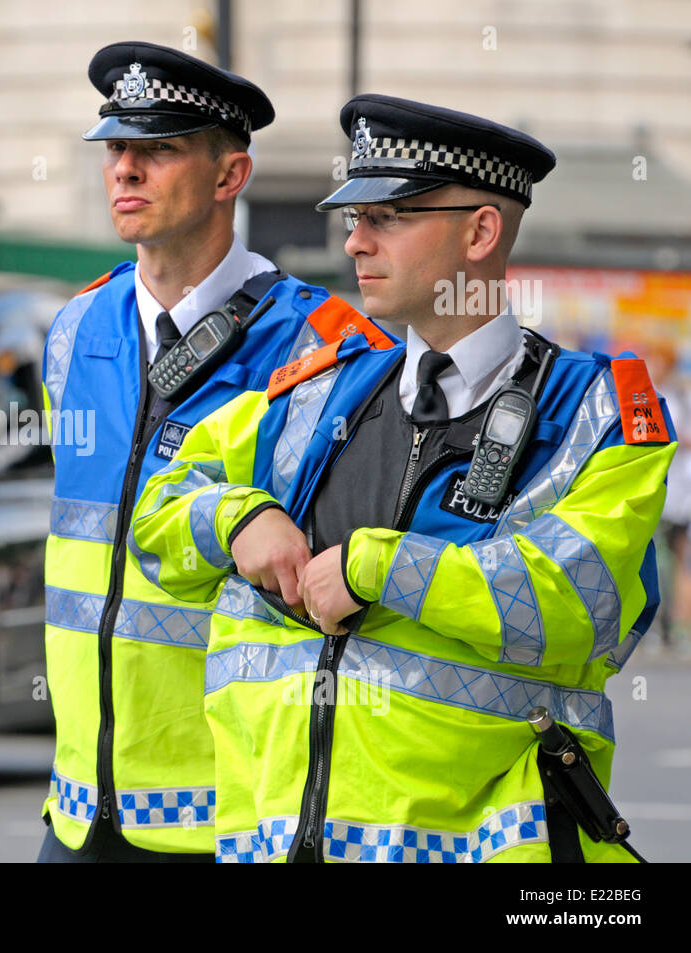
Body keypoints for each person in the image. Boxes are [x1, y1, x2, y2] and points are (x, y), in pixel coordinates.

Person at [131, 94, 676, 862]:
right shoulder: (317, 394)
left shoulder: (596, 413)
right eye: (353, 219)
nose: (354, 243)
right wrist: (236, 517)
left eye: (386, 218)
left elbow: (574, 601)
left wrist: (377, 566)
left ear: (480, 231)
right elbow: (157, 505)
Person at [37, 41, 385, 861]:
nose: (125, 169)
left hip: (234, 813)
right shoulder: (74, 329)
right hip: (80, 807)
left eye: (157, 150)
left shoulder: (328, 348)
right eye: (116, 147)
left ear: (231, 176)